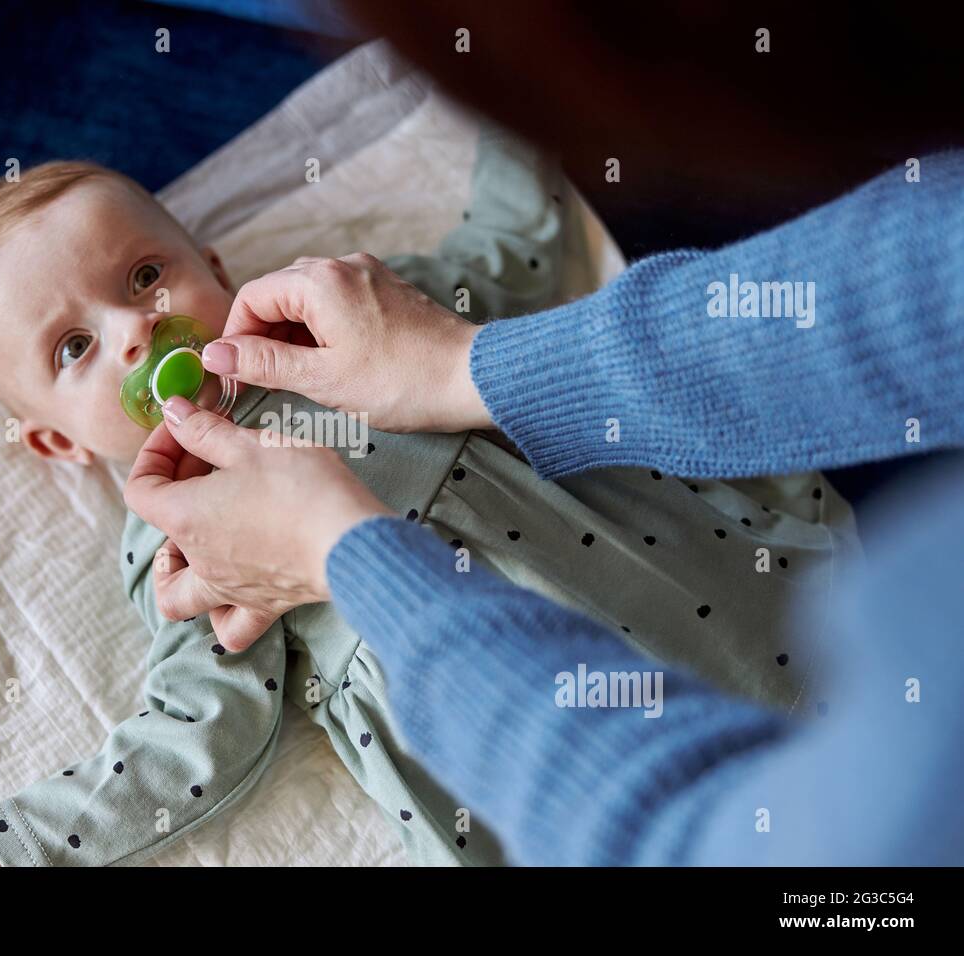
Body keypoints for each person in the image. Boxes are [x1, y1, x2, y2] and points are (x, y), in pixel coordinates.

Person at [124, 151, 964, 863]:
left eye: (145, 276)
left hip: (676, 577)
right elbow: (199, 714)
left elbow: (509, 252)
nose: (133, 331)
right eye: (73, 347)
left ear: (215, 266)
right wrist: (32, 837)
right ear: (54, 439)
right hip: (513, 735)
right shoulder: (180, 523)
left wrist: (522, 127)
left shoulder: (356, 311)